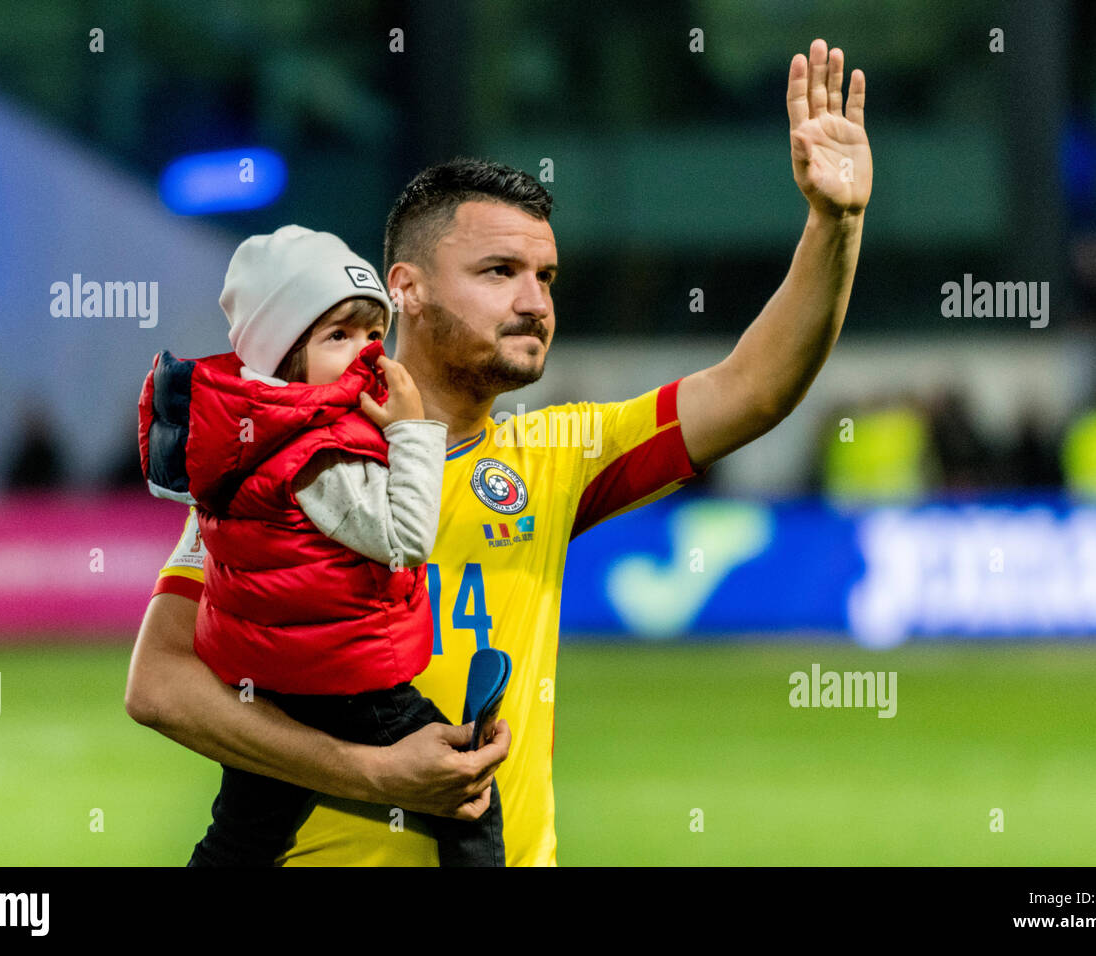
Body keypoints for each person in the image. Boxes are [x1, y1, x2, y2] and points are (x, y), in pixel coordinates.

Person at [126, 39, 871, 865]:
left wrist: (834, 224)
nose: (533, 302)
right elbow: (159, 685)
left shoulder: (558, 454)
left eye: (545, 277)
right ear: (405, 287)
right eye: (498, 271)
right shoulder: (287, 457)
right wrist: (375, 774)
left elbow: (753, 388)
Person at [138, 226, 502, 865]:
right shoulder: (317, 455)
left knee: (244, 837)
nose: (367, 354)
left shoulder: (252, 441)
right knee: (466, 788)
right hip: (345, 681)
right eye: (339, 336)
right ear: (283, 357)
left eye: (373, 333)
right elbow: (406, 540)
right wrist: (415, 431)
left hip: (270, 684)